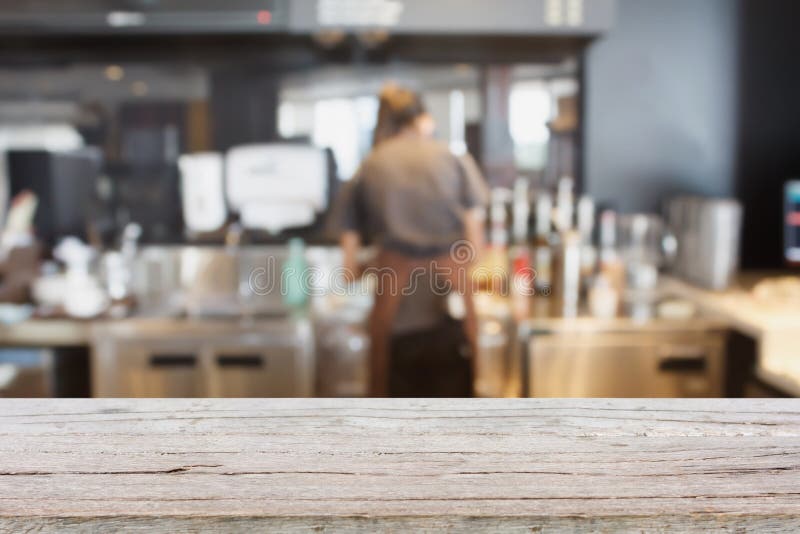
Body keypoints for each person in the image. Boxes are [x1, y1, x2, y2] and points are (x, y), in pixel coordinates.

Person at [335, 83, 489, 397]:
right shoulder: (453, 158)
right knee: (456, 421)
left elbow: (348, 271)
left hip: (394, 321)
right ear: (422, 117)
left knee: (394, 424)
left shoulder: (369, 166)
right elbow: (476, 251)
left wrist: (379, 263)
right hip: (452, 317)